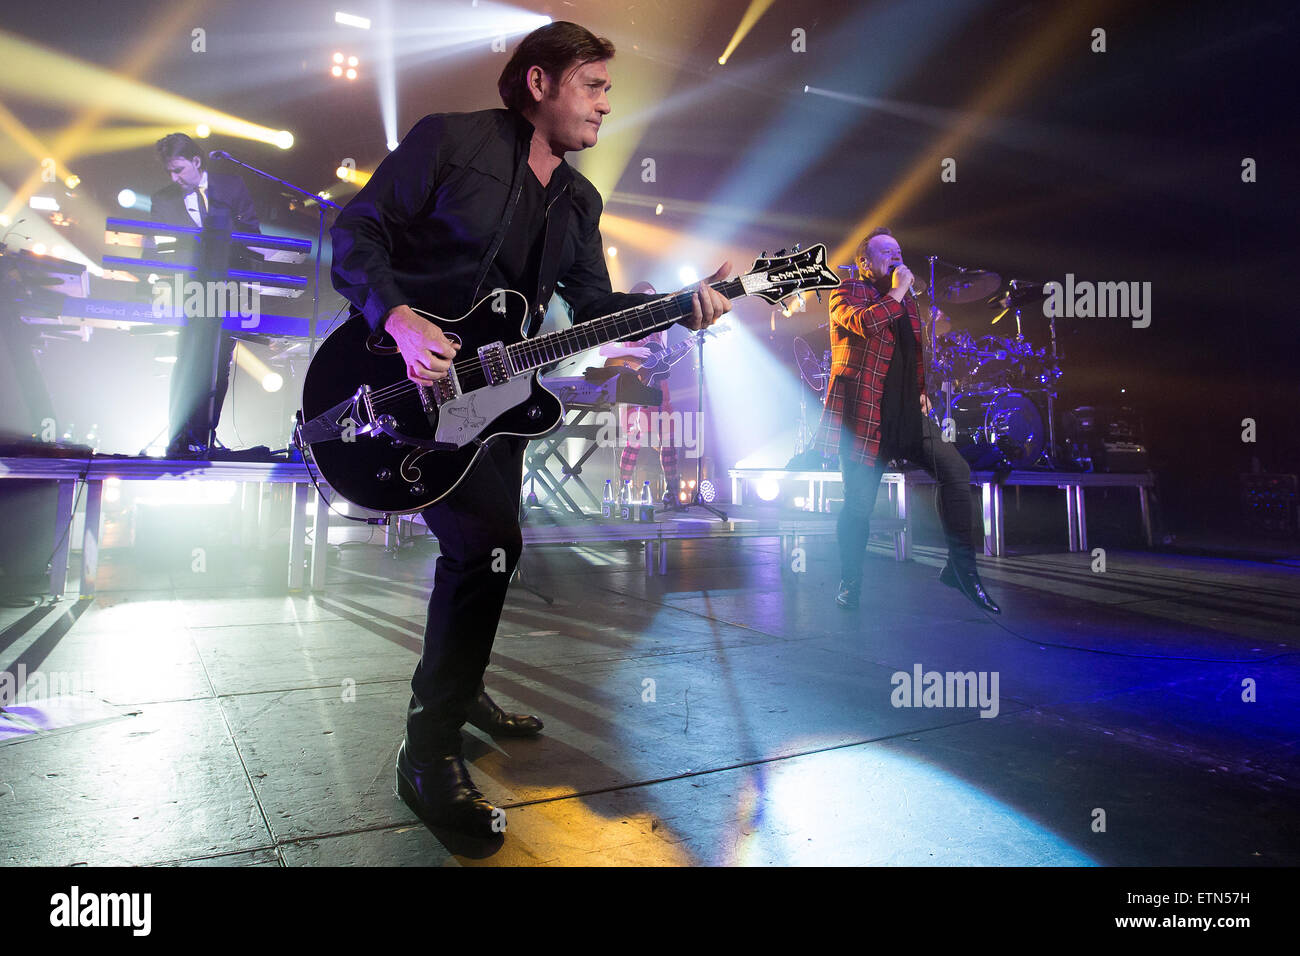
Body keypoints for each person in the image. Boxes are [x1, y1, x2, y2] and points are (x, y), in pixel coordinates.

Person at [329, 21, 732, 837]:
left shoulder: (579, 200)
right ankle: (427, 749)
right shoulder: (452, 141)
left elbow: (591, 309)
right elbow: (355, 230)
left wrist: (681, 306)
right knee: (482, 548)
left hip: (496, 402)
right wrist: (399, 317)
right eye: (595, 85)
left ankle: (460, 683)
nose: (605, 105)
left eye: (611, 91)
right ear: (540, 82)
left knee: (491, 551)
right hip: (394, 379)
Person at [814, 227, 1000, 614]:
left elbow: (913, 352)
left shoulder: (908, 303)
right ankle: (850, 581)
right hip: (864, 416)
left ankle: (962, 570)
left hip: (906, 415)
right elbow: (866, 324)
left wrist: (921, 389)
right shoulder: (846, 292)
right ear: (865, 262)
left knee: (956, 469)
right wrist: (898, 293)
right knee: (859, 507)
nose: (895, 256)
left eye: (898, 250)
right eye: (886, 252)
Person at [151, 133, 261, 458]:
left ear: (197, 161)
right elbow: (159, 249)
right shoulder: (163, 199)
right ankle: (179, 436)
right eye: (170, 171)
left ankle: (205, 435)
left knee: (220, 362)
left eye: (180, 169)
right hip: (190, 292)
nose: (175, 178)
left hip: (228, 288)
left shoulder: (231, 186)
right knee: (189, 360)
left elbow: (253, 235)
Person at [598, 281, 683, 505]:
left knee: (669, 440)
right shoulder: (625, 321)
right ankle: (623, 491)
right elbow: (603, 349)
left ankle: (672, 493)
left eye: (654, 296)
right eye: (647, 296)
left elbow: (663, 359)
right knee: (634, 439)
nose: (652, 300)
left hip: (659, 385)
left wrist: (682, 350)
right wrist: (635, 350)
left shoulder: (662, 325)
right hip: (635, 383)